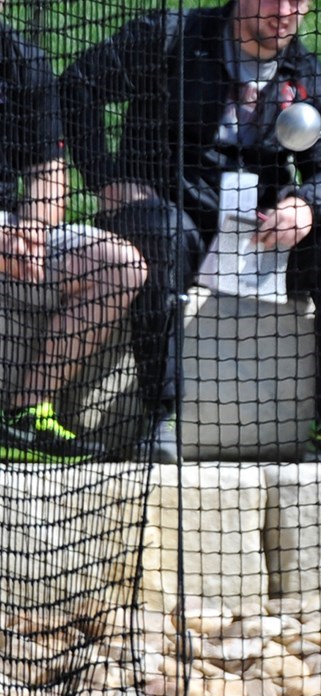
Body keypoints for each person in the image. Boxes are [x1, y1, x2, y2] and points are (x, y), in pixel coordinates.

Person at [61, 0, 321, 464]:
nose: (285, 11)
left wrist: (305, 204)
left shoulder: (306, 74)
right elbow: (77, 85)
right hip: (172, 210)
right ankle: (159, 418)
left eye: (298, 0)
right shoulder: (172, 37)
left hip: (257, 231)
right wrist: (106, 180)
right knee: (164, 235)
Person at [0, 14, 146, 463]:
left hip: (10, 232)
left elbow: (48, 171)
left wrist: (32, 229)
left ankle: (26, 415)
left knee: (121, 266)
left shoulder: (22, 61)